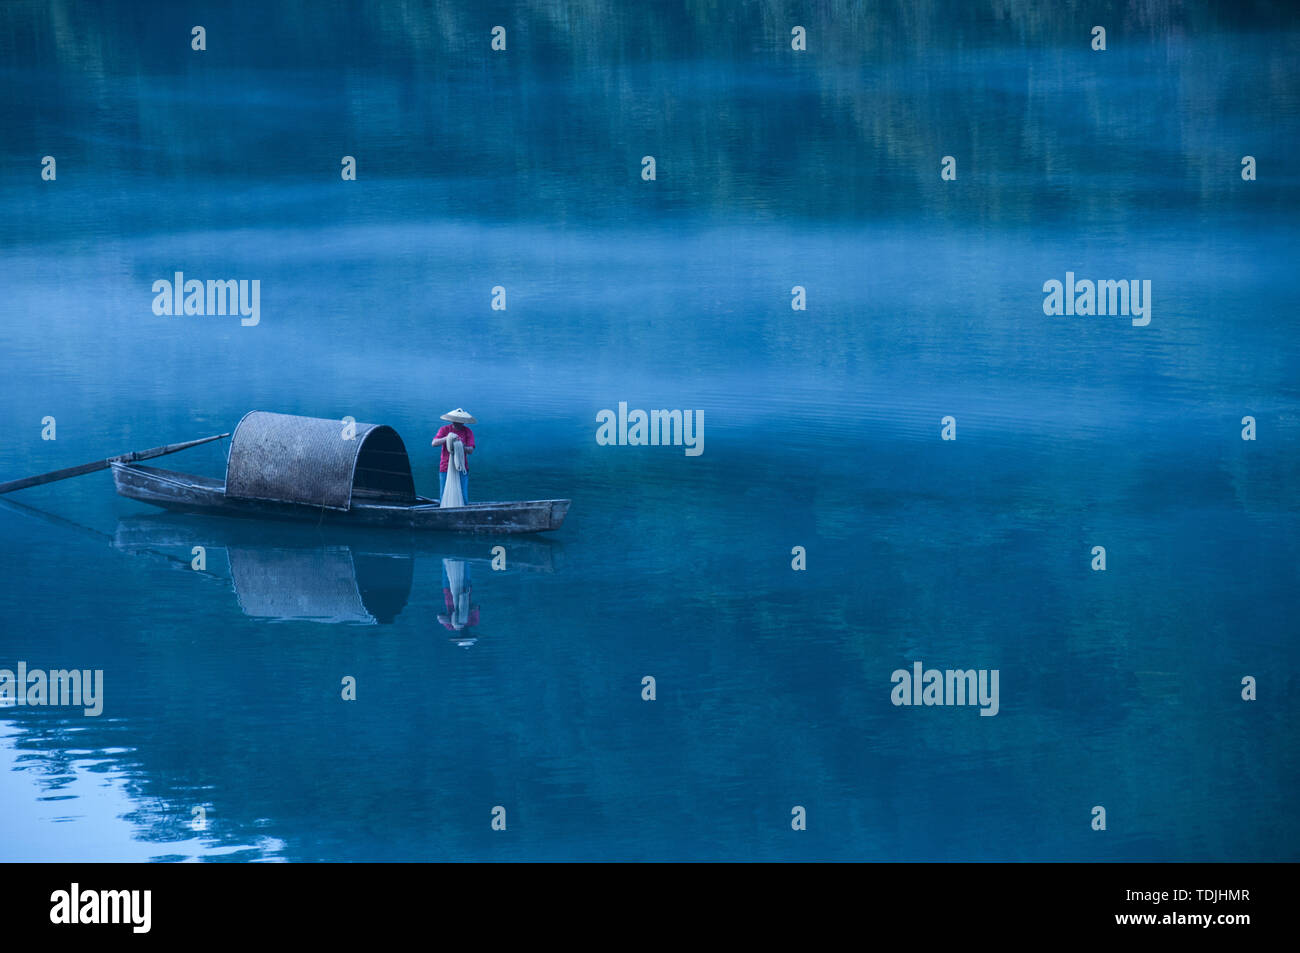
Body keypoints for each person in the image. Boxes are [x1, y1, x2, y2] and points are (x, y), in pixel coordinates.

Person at [432, 408, 476, 502]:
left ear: (463, 421)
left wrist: (461, 445)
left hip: (461, 467)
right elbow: (434, 443)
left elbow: (470, 450)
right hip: (445, 467)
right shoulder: (444, 430)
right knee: (444, 495)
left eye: (460, 421)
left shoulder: (468, 432)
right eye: (456, 420)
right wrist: (447, 438)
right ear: (452, 420)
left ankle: (463, 512)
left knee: (463, 495)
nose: (457, 422)